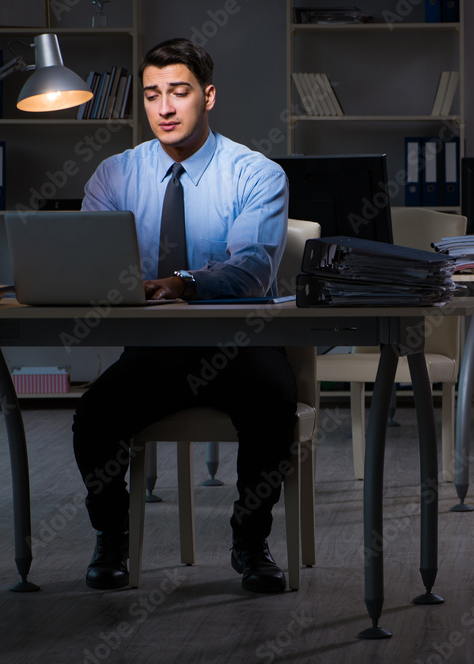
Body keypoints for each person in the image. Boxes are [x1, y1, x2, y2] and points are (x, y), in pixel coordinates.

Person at [71, 38, 297, 594]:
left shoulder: (255, 173)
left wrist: (183, 283)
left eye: (179, 92)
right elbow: (88, 264)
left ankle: (250, 541)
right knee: (94, 417)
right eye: (152, 95)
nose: (164, 108)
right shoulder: (114, 176)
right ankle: (111, 537)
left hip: (239, 344)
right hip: (157, 350)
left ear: (208, 96)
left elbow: (253, 270)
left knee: (273, 403)